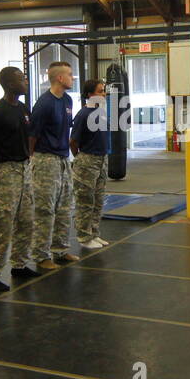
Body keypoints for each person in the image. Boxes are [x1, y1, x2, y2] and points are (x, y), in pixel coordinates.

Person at [0, 66, 38, 293]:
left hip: (24, 169)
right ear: (11, 84)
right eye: (21, 78)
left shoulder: (22, 109)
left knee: (26, 220)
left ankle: (19, 264)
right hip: (5, 170)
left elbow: (29, 136)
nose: (25, 81)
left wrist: (27, 157)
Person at [30, 60, 78, 271]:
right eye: (69, 74)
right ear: (59, 78)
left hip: (63, 159)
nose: (72, 77)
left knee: (65, 206)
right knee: (45, 209)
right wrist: (32, 160)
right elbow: (32, 136)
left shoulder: (67, 100)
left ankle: (60, 249)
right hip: (45, 160)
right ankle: (41, 255)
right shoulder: (44, 103)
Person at [71, 78, 111, 251]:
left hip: (101, 160)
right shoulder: (83, 115)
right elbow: (73, 141)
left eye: (104, 90)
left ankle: (94, 233)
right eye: (100, 91)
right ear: (89, 95)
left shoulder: (101, 112)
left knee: (98, 200)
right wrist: (80, 158)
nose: (104, 94)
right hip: (87, 160)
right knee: (85, 201)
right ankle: (84, 237)